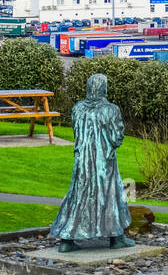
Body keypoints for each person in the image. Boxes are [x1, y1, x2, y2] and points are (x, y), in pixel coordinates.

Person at [50, 73, 132, 252]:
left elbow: (76, 133)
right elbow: (117, 137)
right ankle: (116, 237)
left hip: (82, 161)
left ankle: (67, 239)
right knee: (109, 194)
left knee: (78, 195)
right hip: (104, 161)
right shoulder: (111, 109)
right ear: (103, 88)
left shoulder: (78, 108)